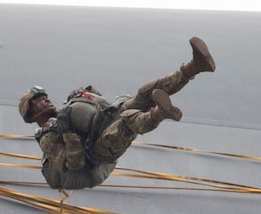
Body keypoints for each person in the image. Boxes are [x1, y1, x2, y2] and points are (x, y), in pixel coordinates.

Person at [18, 37, 216, 190]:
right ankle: (159, 114)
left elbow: (91, 114)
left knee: (144, 93)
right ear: (31, 113)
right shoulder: (48, 137)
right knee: (127, 121)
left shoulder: (64, 113)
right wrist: (68, 132)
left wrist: (85, 96)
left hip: (105, 119)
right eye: (38, 99)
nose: (45, 99)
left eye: (44, 95)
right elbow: (75, 163)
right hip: (100, 149)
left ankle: (194, 67)